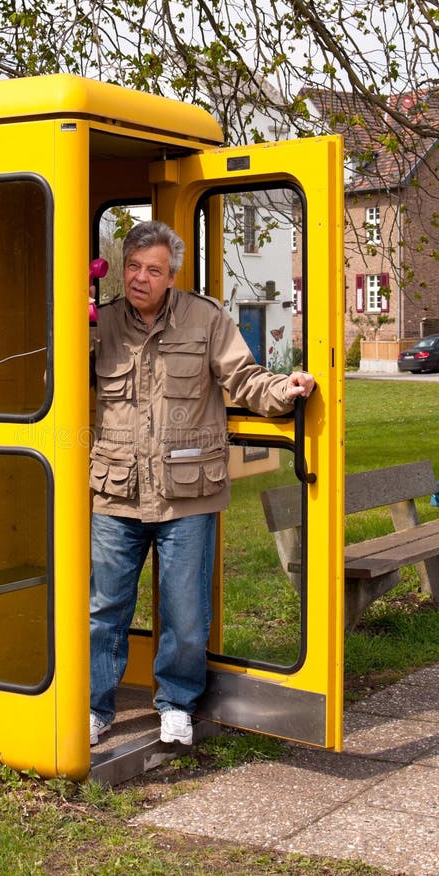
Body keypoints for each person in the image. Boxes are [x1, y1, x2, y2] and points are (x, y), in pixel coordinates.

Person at [88, 220, 315, 747]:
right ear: (122, 267)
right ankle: (97, 708)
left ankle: (175, 703)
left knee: (186, 613)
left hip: (187, 491)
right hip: (117, 490)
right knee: (104, 609)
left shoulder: (205, 318)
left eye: (154, 270)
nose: (141, 278)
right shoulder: (102, 323)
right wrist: (71, 330)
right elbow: (56, 381)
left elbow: (244, 378)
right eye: (134, 267)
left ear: (172, 275)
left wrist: (287, 388)